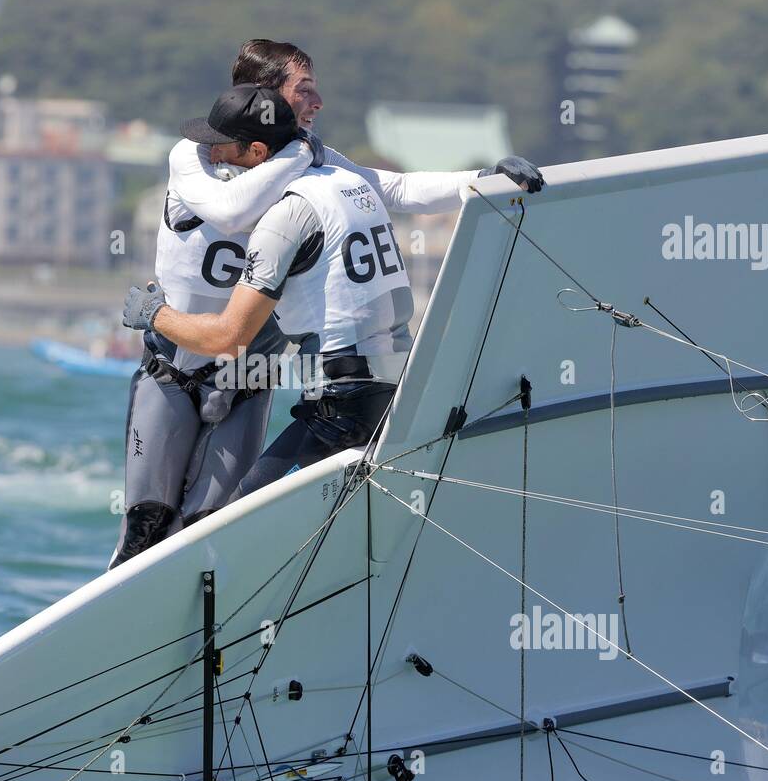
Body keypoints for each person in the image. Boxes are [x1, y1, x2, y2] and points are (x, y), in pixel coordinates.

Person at [110, 39, 544, 567]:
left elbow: (394, 189)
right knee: (147, 524)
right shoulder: (197, 153)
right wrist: (295, 153)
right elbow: (229, 210)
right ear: (265, 96)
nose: (317, 103)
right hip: (175, 365)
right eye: (304, 90)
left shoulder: (310, 160)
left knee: (210, 527)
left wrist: (483, 181)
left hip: (247, 373)